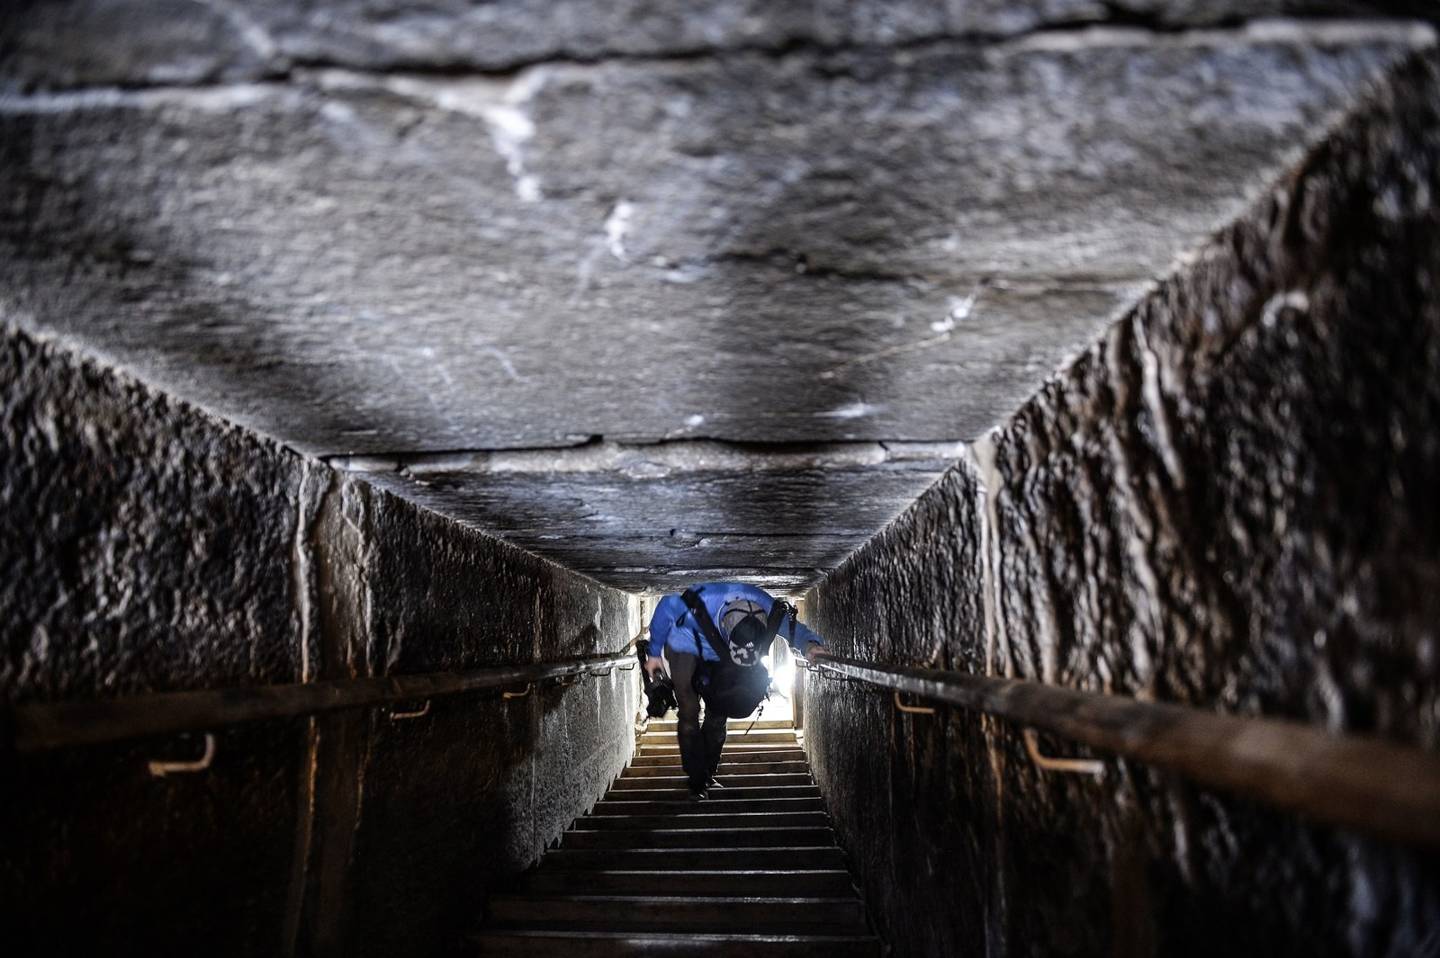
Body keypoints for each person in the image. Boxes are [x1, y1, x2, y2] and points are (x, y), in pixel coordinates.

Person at [642, 581, 827, 800]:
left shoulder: (769, 610)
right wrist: (654, 653)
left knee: (719, 709)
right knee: (689, 707)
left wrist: (810, 645)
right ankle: (695, 780)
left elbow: (795, 631)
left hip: (723, 655)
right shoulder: (699, 604)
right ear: (725, 628)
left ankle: (707, 774)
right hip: (686, 641)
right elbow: (667, 603)